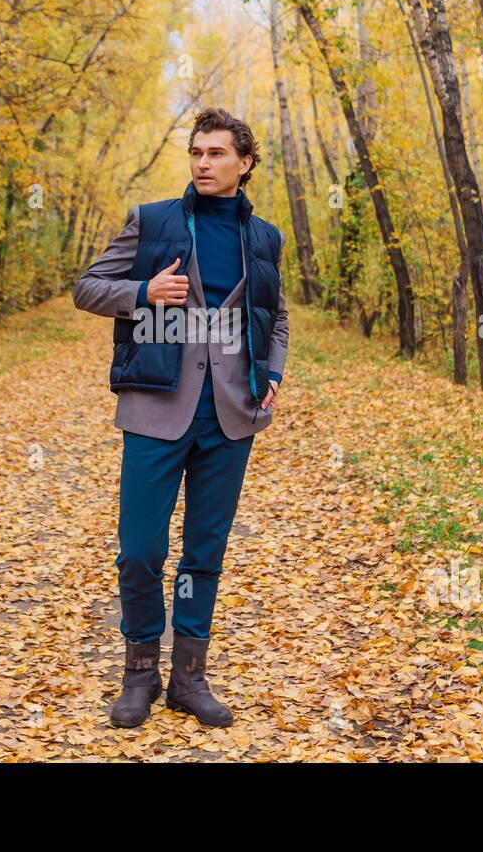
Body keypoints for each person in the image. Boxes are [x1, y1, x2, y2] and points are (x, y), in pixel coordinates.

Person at [72, 107, 289, 728]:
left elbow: (275, 316)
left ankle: (188, 679)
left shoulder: (265, 238)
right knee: (139, 551)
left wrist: (271, 373)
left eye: (217, 154)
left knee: (204, 551)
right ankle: (138, 673)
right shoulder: (152, 222)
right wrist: (143, 294)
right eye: (196, 152)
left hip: (231, 413)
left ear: (244, 164)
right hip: (155, 405)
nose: (203, 163)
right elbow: (87, 287)